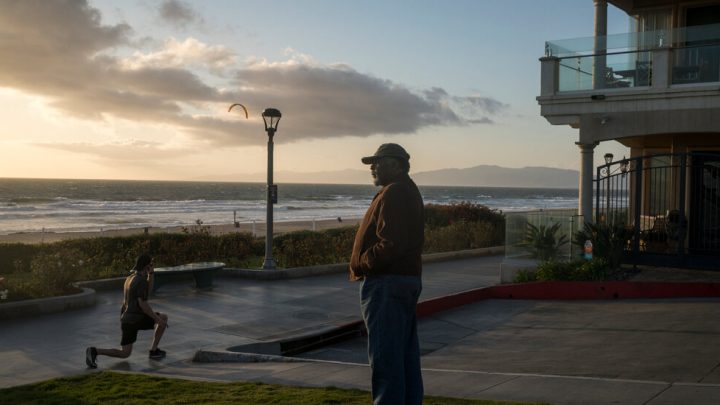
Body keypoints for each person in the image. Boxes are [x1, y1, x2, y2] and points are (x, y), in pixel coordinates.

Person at [349, 143, 425, 405]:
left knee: (386, 361)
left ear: (395, 164)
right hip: (400, 281)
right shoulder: (404, 190)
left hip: (386, 283)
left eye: (377, 162)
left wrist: (363, 263)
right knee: (403, 360)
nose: (372, 167)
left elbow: (391, 243)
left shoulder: (395, 193)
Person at [85, 253, 169, 368]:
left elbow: (147, 293)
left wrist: (151, 274)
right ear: (147, 266)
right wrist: (157, 320)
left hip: (127, 320)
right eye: (151, 265)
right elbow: (143, 303)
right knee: (163, 318)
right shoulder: (141, 281)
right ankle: (154, 352)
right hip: (136, 318)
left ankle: (94, 351)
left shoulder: (130, 278)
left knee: (125, 353)